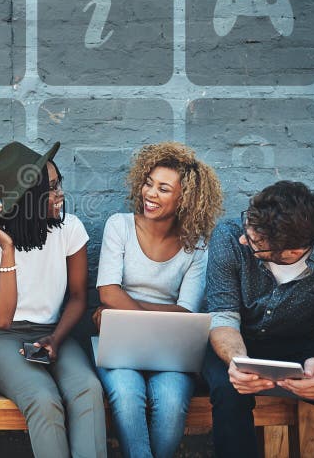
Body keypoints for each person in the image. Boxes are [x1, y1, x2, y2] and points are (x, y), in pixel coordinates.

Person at [203, 180, 314, 457]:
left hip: (300, 345)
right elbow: (223, 317)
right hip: (238, 341)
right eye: (248, 226)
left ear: (293, 253)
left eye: (255, 242)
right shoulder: (229, 236)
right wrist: (237, 362)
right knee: (228, 391)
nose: (245, 238)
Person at [0, 141, 107, 458]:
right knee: (43, 398)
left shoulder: (70, 229)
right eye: (52, 187)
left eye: (59, 184)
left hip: (53, 332)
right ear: (27, 198)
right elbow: (1, 317)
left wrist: (56, 338)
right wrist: (6, 249)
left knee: (87, 389)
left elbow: (76, 297)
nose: (61, 194)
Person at [92, 142, 223, 458]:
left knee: (172, 402)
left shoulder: (197, 246)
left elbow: (187, 311)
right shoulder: (119, 225)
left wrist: (123, 309)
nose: (150, 194)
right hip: (119, 341)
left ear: (185, 198)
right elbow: (107, 291)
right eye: (148, 183)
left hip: (170, 348)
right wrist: (162, 316)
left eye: (164, 189)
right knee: (126, 395)